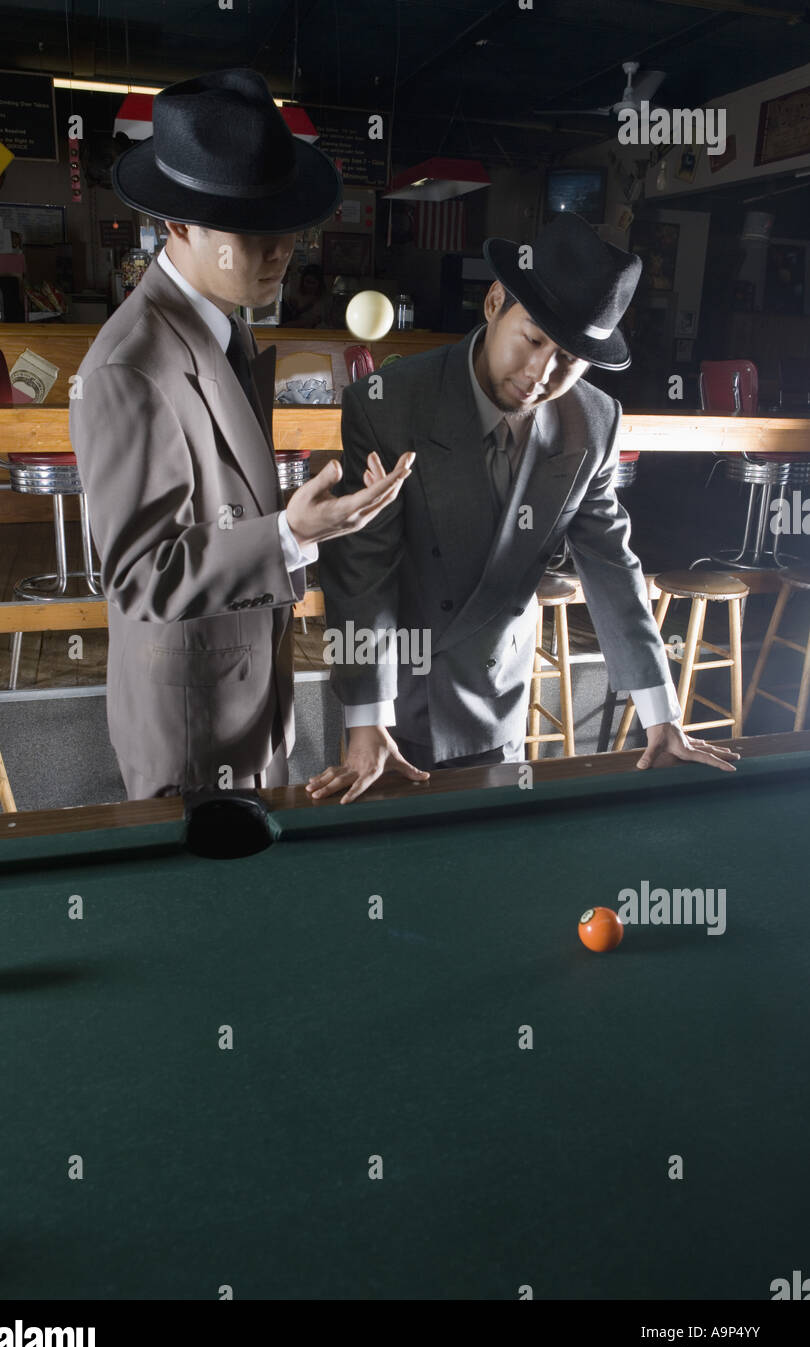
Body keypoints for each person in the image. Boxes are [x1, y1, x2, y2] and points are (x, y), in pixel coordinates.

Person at [308, 213, 738, 804]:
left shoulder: (593, 422)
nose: (541, 374)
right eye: (533, 340)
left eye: (569, 359)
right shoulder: (390, 403)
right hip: (391, 696)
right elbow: (363, 572)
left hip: (498, 690)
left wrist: (660, 715)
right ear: (493, 303)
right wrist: (365, 719)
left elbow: (612, 568)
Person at [71, 69, 413, 800]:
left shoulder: (227, 326)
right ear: (179, 225)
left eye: (286, 223)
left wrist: (311, 521)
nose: (281, 248)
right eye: (251, 230)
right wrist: (289, 535)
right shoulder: (130, 366)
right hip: (191, 720)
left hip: (249, 694)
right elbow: (138, 576)